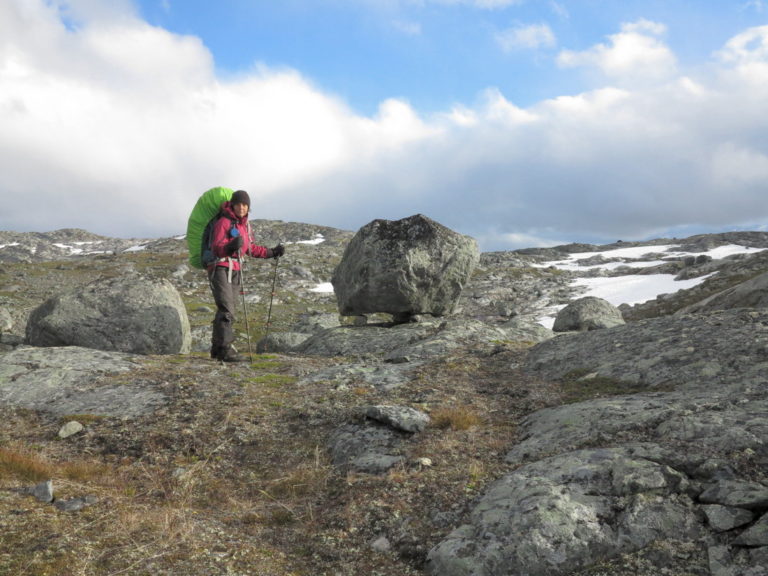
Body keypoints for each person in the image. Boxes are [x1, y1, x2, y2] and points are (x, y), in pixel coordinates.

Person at [208, 190, 285, 362]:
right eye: (239, 204)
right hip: (220, 267)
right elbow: (217, 247)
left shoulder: (244, 226)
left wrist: (272, 252)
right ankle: (225, 350)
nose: (242, 207)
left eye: (245, 205)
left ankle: (216, 349)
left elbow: (250, 249)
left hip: (235, 269)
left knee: (228, 309)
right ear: (233, 205)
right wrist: (229, 246)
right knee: (227, 309)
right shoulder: (224, 222)